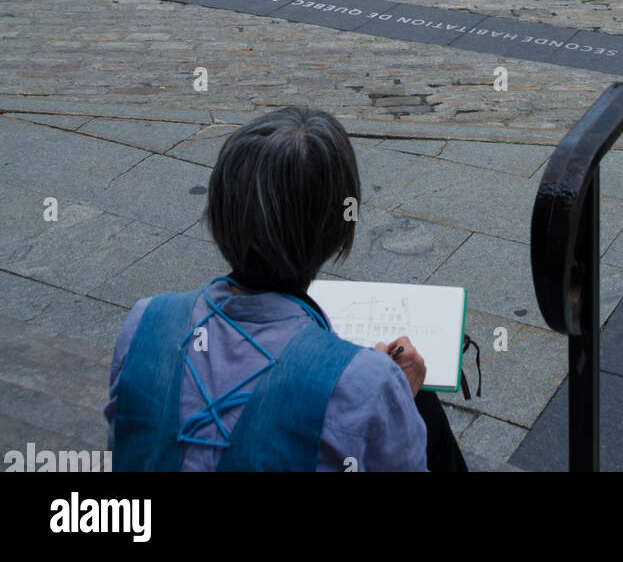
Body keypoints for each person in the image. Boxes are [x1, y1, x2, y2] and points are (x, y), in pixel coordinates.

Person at [105, 106, 466, 473]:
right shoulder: (367, 384)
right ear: (339, 238)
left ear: (218, 212)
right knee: (425, 408)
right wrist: (395, 404)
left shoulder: (143, 322)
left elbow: (125, 445)